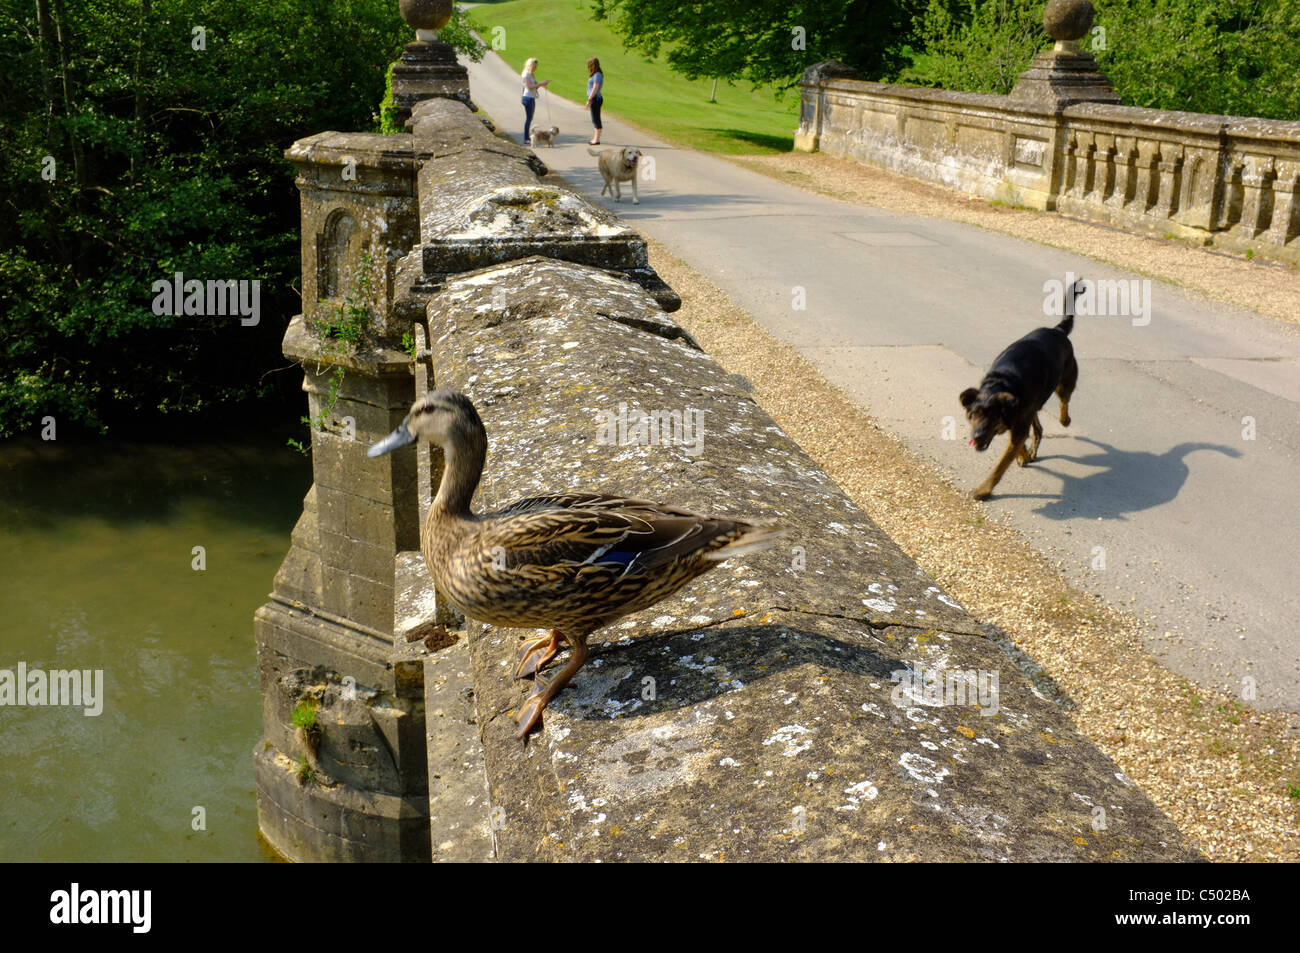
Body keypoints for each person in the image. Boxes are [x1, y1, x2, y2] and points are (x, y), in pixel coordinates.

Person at [521, 58, 550, 145]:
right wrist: (541, 83)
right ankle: (526, 138)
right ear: (530, 65)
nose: (535, 68)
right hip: (527, 98)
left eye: (536, 67)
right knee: (529, 118)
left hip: (531, 97)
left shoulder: (531, 74)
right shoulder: (526, 74)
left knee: (530, 118)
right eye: (534, 67)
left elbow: (535, 86)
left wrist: (542, 84)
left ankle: (528, 137)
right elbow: (529, 87)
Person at [585, 57, 604, 145]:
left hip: (595, 98)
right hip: (595, 98)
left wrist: (589, 99)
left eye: (589, 65)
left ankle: (596, 140)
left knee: (596, 119)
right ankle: (596, 138)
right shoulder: (596, 74)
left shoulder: (597, 75)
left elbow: (595, 88)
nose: (589, 67)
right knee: (595, 119)